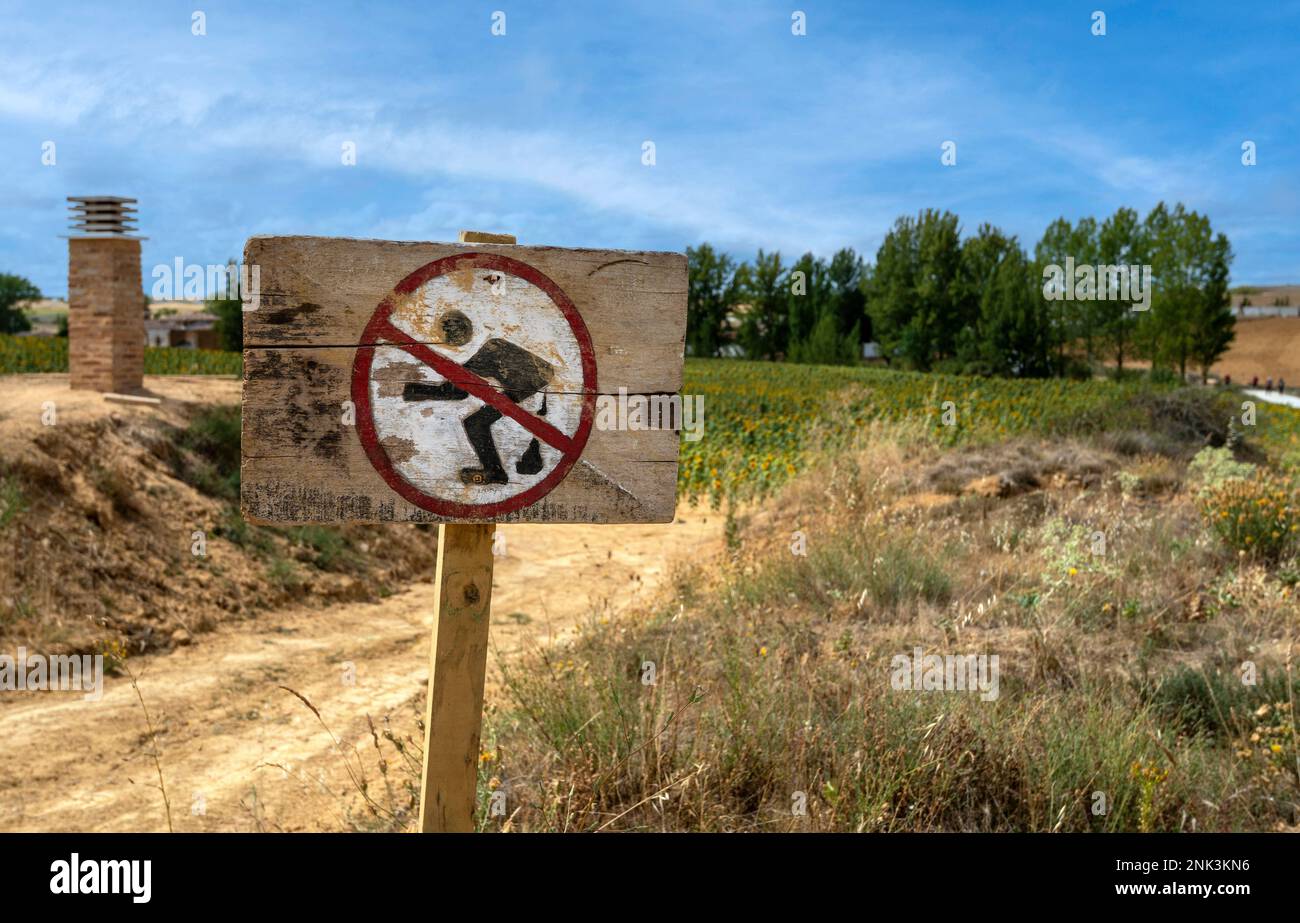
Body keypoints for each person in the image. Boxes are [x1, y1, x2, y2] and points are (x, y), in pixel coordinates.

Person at [402, 309, 556, 485]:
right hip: (529, 378)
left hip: (529, 378)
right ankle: (495, 471)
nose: (454, 334)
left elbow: (461, 386)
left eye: (454, 330)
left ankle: (495, 472)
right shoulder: (489, 345)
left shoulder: (490, 346)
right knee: (473, 419)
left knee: (473, 419)